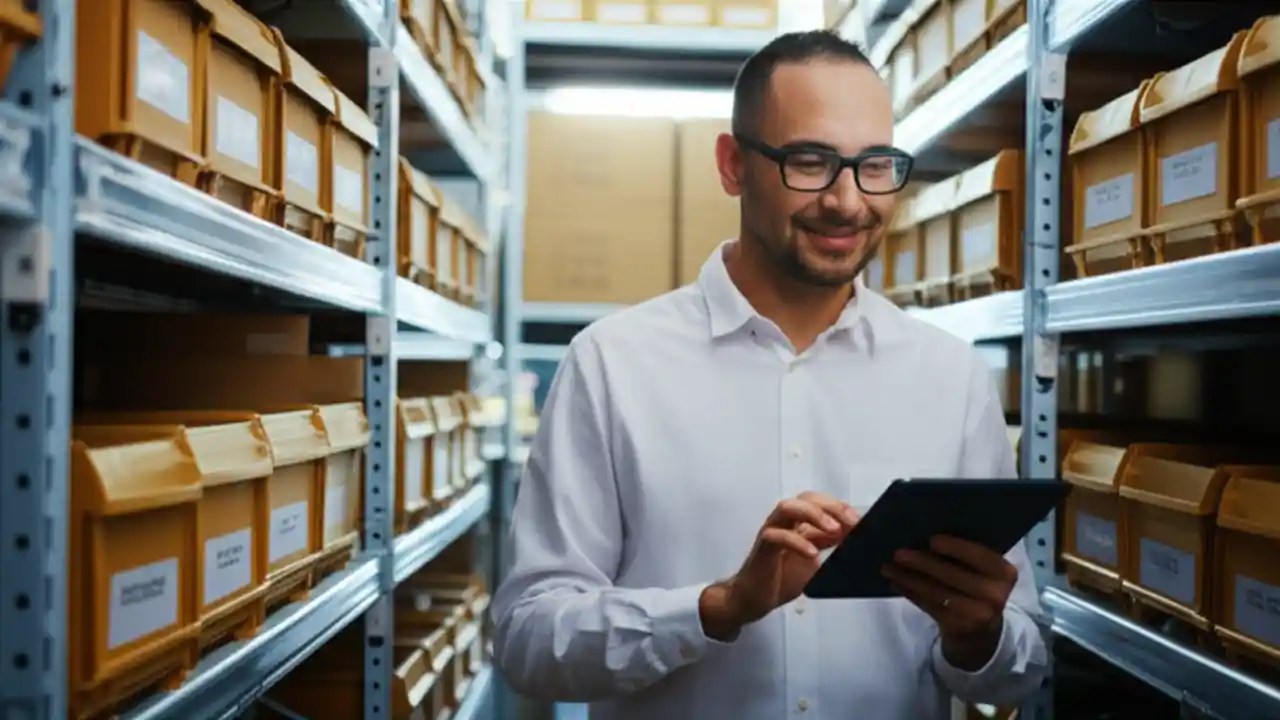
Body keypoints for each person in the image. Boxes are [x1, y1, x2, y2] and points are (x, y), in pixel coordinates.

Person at [491, 30, 1048, 720]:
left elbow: (1021, 665)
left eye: (875, 165)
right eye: (810, 162)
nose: (848, 201)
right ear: (733, 165)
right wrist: (716, 607)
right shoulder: (613, 364)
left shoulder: (950, 376)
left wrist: (979, 639)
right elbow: (528, 639)